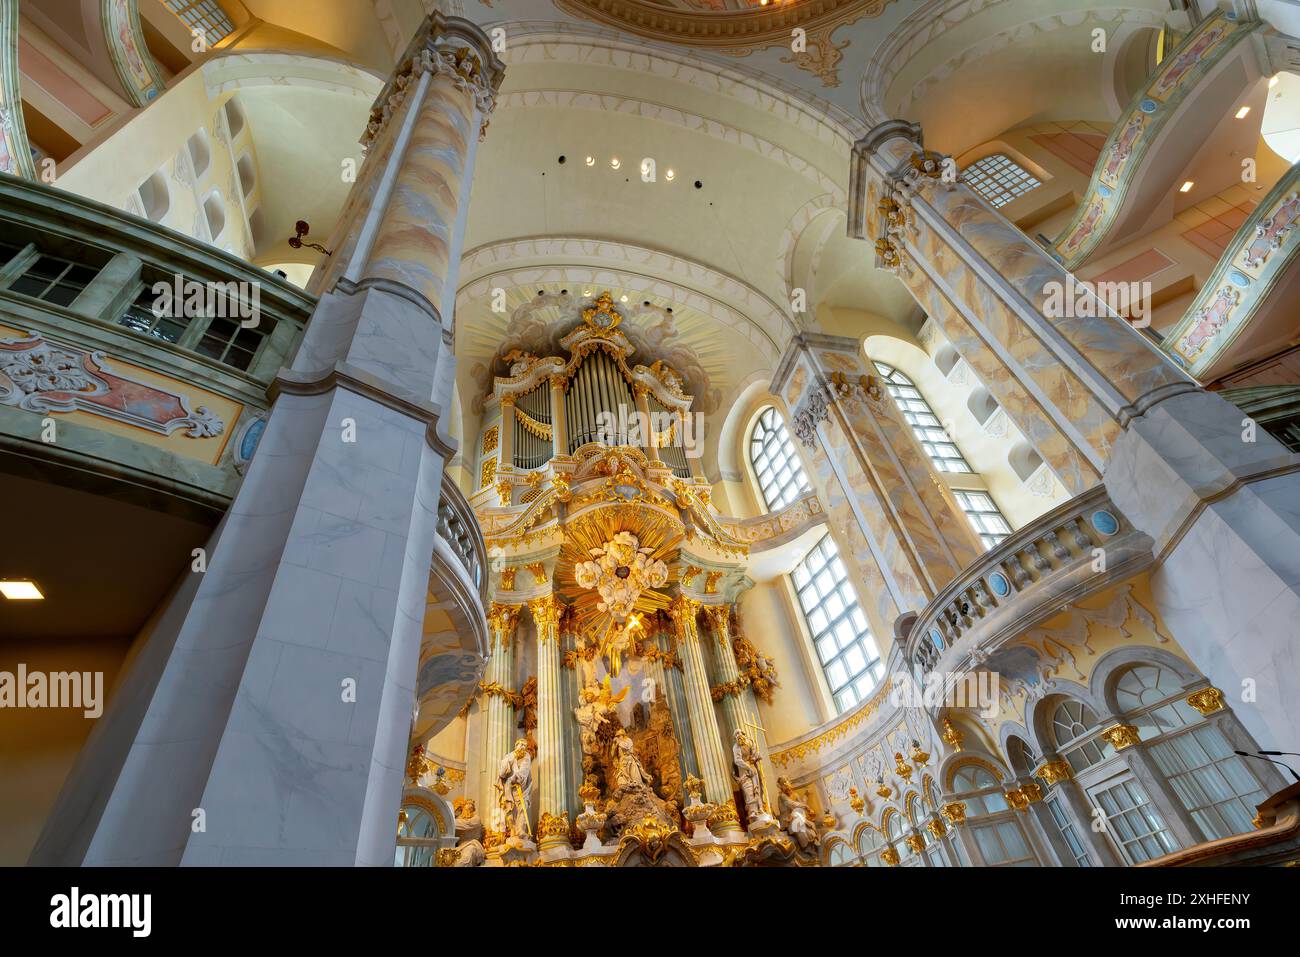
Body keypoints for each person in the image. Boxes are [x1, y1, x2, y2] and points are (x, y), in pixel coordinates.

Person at [495, 738, 533, 840]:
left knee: (522, 807)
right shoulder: (509, 756)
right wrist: (511, 759)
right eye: (520, 744)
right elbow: (502, 773)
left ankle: (520, 830)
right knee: (509, 809)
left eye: (524, 745)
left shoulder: (526, 756)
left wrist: (515, 778)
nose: (522, 747)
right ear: (515, 746)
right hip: (508, 788)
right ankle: (512, 830)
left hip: (521, 788)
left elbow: (524, 771)